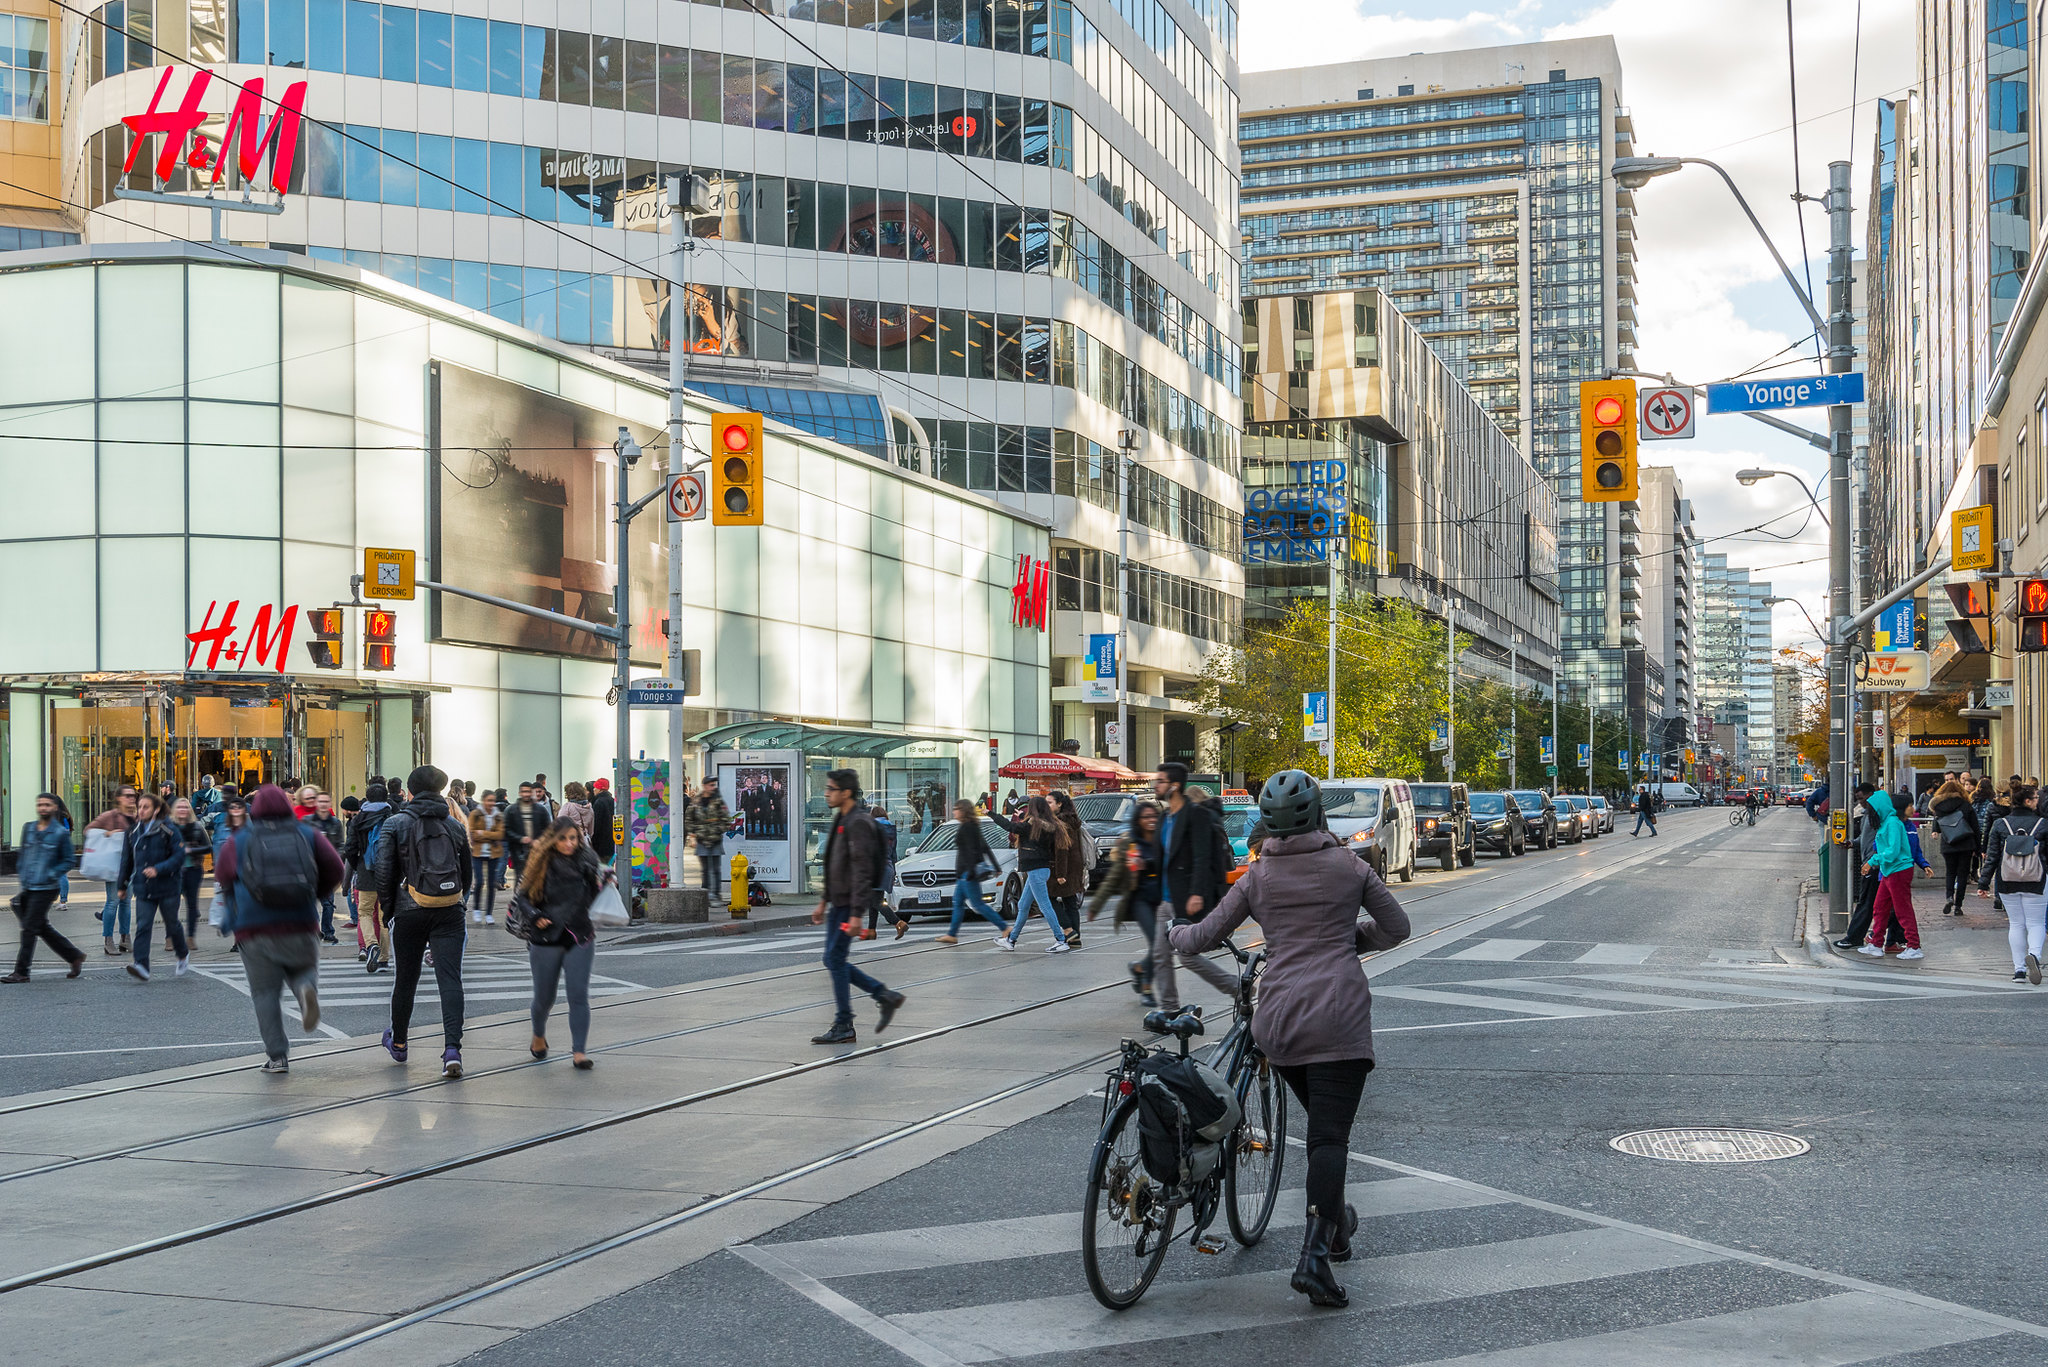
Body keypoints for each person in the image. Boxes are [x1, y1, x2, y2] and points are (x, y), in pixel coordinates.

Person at [1170, 769, 1411, 1307]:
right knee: (1328, 1140)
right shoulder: (1351, 866)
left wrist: (1173, 932)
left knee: (1322, 1133)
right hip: (1338, 1019)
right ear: (1319, 813)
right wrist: (1352, 937)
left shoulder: (1258, 877)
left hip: (1279, 1025)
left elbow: (1203, 937)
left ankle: (1337, 1226)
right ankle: (1314, 1260)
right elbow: (1398, 929)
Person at [216, 785, 342, 1072]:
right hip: (300, 921)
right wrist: (313, 894)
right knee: (303, 969)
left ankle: (277, 1056)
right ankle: (305, 990)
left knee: (264, 993)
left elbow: (223, 874)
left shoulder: (241, 839)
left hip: (254, 927)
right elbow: (336, 869)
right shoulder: (307, 833)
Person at [372, 764, 475, 1078]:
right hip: (449, 910)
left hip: (409, 910)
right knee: (450, 979)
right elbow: (467, 876)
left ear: (410, 792)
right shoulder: (455, 827)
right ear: (442, 791)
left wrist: (389, 912)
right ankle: (452, 1050)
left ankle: (400, 1042)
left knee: (406, 979)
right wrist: (459, 903)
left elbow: (384, 873)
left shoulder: (396, 823)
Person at [809, 769, 905, 1044]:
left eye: (831, 788)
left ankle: (845, 1023)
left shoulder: (859, 823)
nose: (826, 793)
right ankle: (882, 996)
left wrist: (855, 914)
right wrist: (823, 902)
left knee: (834, 960)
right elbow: (835, 863)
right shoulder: (842, 818)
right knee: (832, 959)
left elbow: (863, 871)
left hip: (848, 904)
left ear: (846, 792)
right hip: (838, 902)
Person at [521, 817, 610, 1068]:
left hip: (580, 934)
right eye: (563, 838)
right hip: (546, 938)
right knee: (544, 998)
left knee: (578, 995)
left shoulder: (588, 860)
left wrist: (604, 882)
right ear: (553, 839)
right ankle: (538, 1035)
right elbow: (523, 898)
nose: (569, 843)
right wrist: (535, 916)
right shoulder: (540, 861)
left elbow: (594, 898)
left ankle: (579, 1052)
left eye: (573, 838)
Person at [1150, 762, 1239, 1008]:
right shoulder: (1164, 817)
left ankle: (1236, 987)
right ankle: (1169, 1009)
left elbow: (1202, 856)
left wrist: (1197, 893)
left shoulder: (1195, 815)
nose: (1156, 786)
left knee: (1187, 956)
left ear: (1175, 786)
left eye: (1160, 781)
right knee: (1160, 955)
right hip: (1166, 898)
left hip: (1186, 897)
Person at [1085, 800, 1165, 1005]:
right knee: (1158, 943)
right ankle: (1147, 988)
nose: (1151, 821)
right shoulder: (1131, 843)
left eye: (1153, 817)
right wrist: (1096, 905)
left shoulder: (1163, 839)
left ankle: (1139, 968)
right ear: (1138, 820)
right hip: (1141, 901)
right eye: (1146, 817)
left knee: (1165, 944)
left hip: (1164, 900)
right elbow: (1115, 877)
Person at [5, 793, 87, 983]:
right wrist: (22, 873)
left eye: (47, 805)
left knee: (29, 928)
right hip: (30, 884)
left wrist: (51, 873)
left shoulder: (59, 833)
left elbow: (68, 860)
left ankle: (22, 971)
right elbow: (24, 853)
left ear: (55, 808)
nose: (43, 808)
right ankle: (74, 955)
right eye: (40, 804)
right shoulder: (29, 829)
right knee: (39, 926)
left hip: (47, 887)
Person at [118, 792, 192, 981]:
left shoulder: (169, 829)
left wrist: (159, 869)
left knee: (172, 924)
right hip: (144, 887)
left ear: (156, 809)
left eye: (146, 807)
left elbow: (179, 856)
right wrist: (122, 885)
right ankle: (141, 965)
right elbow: (126, 860)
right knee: (143, 925)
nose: (141, 811)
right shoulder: (133, 831)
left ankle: (183, 954)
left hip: (168, 886)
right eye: (139, 807)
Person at [1978, 783, 2046, 983]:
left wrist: (1983, 882)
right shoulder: (2043, 823)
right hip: (2037, 879)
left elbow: (1992, 856)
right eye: (2035, 797)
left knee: (2016, 924)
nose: (2038, 800)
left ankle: (2019, 971)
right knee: (2035, 923)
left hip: (2007, 880)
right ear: (2027, 801)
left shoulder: (2001, 824)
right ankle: (2034, 956)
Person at [989, 796, 1073, 953]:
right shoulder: (1049, 826)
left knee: (1044, 906)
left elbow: (1010, 826)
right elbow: (1026, 824)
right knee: (1023, 905)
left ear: (1033, 809)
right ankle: (1011, 940)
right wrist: (1022, 816)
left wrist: (991, 814)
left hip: (1035, 871)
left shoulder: (1031, 827)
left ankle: (1061, 940)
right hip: (1041, 869)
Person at [1858, 790, 1923, 960]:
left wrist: (1872, 861)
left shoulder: (1892, 823)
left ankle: (1913, 945)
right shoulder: (1889, 822)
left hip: (1897, 869)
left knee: (1902, 909)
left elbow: (1892, 851)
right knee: (1880, 907)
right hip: (1891, 869)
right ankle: (1876, 943)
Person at [935, 799, 1007, 945]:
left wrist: (970, 871)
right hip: (965, 873)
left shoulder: (966, 828)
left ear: (963, 811)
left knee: (978, 904)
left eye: (956, 809)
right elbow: (984, 847)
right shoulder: (973, 826)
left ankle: (1004, 927)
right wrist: (995, 866)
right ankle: (952, 934)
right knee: (958, 902)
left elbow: (971, 851)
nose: (954, 811)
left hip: (967, 873)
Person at [345, 783, 396, 971]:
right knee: (384, 916)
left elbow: (349, 848)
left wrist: (358, 864)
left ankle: (370, 944)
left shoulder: (358, 820)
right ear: (386, 797)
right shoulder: (392, 817)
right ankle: (384, 958)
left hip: (365, 873)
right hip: (388, 873)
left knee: (364, 912)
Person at [86, 786, 139, 955]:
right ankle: (108, 940)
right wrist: (108, 834)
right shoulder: (109, 816)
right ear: (118, 798)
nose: (131, 798)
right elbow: (88, 831)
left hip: (131, 866)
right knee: (113, 902)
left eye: (134, 796)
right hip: (114, 867)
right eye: (127, 796)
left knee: (126, 903)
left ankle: (125, 938)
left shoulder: (137, 817)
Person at [1927, 776, 1982, 915]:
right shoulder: (1965, 805)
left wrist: (1935, 831)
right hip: (1966, 843)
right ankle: (1958, 906)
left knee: (1950, 872)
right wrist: (1978, 847)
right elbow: (1976, 827)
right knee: (1963, 874)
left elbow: (1937, 824)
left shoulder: (1939, 806)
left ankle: (1949, 897)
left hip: (1948, 843)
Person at [300, 793, 346, 944]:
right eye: (321, 802)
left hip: (327, 869)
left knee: (328, 903)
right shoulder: (307, 821)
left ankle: (328, 930)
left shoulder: (335, 823)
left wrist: (334, 858)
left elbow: (340, 844)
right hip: (311, 868)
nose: (323, 804)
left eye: (326, 801)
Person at [1047, 789, 1088, 948]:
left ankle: (1069, 931)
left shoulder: (1060, 822)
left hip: (1063, 868)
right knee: (1070, 901)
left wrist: (1060, 873)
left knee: (1048, 899)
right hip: (1075, 867)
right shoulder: (1073, 820)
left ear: (1059, 804)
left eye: (1049, 802)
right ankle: (1075, 938)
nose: (1047, 805)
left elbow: (1062, 849)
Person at [171, 797, 212, 941]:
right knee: (172, 904)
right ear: (175, 810)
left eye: (185, 807)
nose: (182, 810)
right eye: (179, 807)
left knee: (192, 904)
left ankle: (190, 937)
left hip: (193, 869)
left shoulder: (196, 826)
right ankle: (170, 937)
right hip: (173, 870)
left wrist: (190, 850)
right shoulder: (170, 827)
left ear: (189, 810)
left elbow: (208, 847)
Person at [865, 803, 906, 940]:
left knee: (875, 901)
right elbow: (893, 853)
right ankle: (871, 931)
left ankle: (898, 922)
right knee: (875, 899)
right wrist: (893, 870)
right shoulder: (891, 830)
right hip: (887, 867)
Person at [685, 777, 730, 900]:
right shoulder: (696, 801)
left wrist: (717, 830)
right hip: (701, 840)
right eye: (711, 785)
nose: (713, 787)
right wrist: (693, 834)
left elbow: (726, 820)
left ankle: (716, 893)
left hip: (715, 840)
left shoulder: (718, 801)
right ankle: (705, 894)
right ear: (704, 786)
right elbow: (689, 819)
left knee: (716, 869)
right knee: (705, 870)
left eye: (714, 785)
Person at [467, 790, 507, 925]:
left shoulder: (498, 816)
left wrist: (482, 833)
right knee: (479, 882)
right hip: (478, 853)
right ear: (483, 800)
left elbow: (500, 835)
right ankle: (477, 909)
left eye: (493, 801)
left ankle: (489, 913)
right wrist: (490, 834)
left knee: (491, 884)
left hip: (493, 853)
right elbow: (472, 833)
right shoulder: (475, 814)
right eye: (489, 800)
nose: (491, 803)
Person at [504, 783, 549, 891]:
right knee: (520, 879)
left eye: (528, 791)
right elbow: (506, 830)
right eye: (524, 791)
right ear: (520, 793)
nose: (526, 794)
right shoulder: (512, 810)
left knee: (536, 879)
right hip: (519, 851)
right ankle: (518, 903)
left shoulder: (540, 810)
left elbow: (548, 828)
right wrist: (521, 838)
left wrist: (540, 841)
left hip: (536, 850)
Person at [558, 782, 595, 846]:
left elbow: (559, 824)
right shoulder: (589, 808)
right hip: (584, 840)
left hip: (570, 841)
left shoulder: (568, 807)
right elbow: (591, 831)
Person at [590, 778, 616, 863]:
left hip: (600, 844)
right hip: (611, 842)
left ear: (600, 789)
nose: (594, 789)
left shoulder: (599, 802)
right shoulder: (612, 801)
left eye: (595, 787)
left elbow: (596, 825)